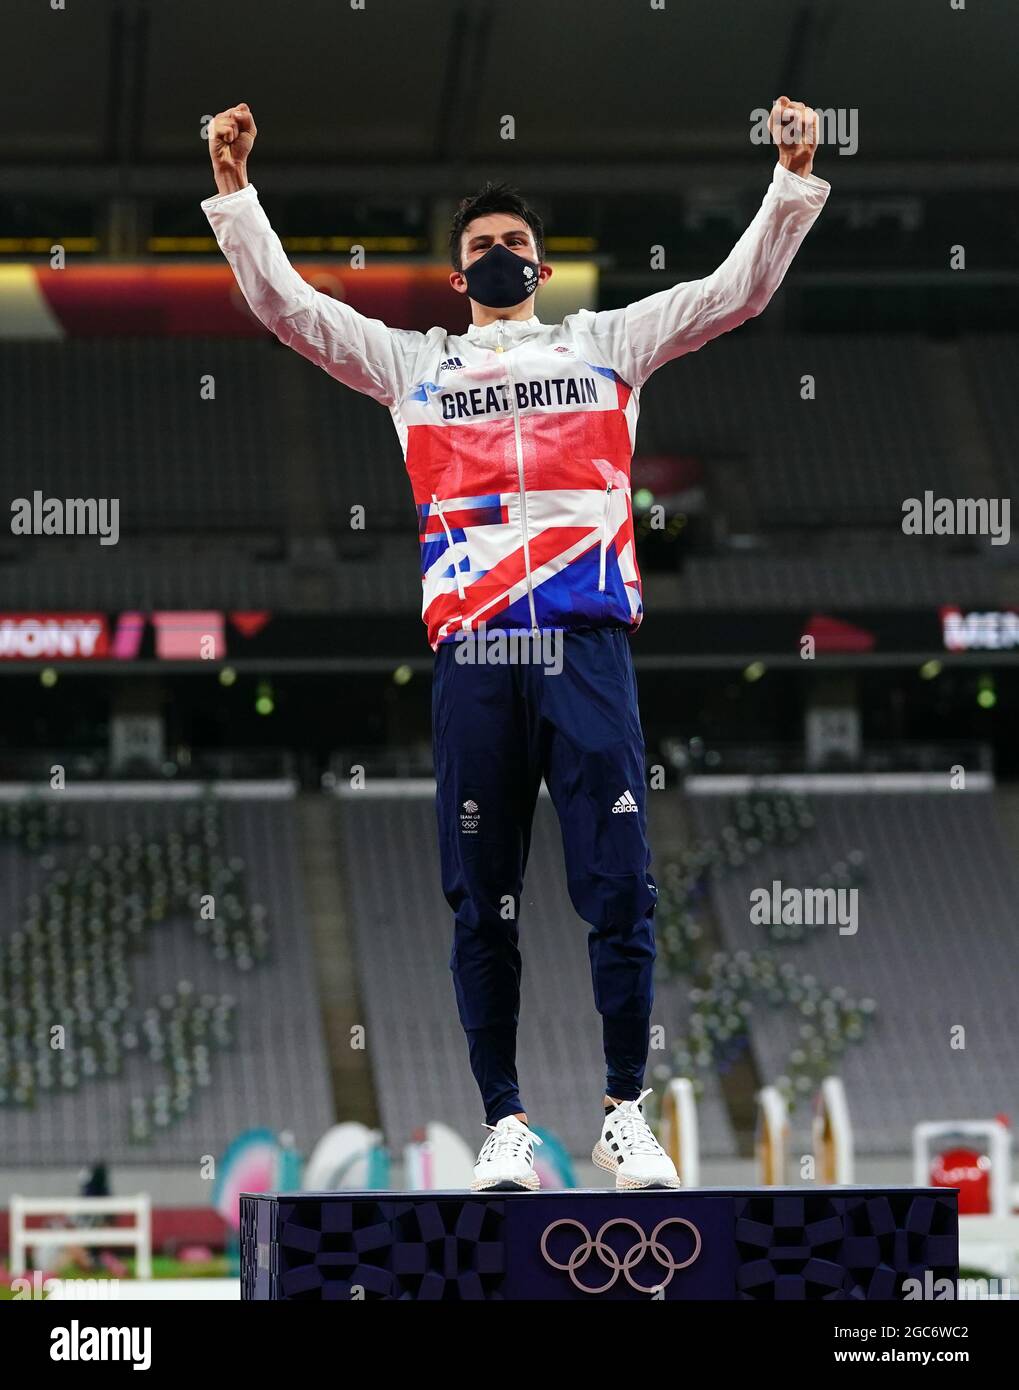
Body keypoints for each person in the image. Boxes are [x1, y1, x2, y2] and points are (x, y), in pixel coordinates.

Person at [202, 97, 828, 1191]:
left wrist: (787, 179)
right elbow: (290, 309)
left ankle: (623, 1109)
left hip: (587, 650)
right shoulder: (413, 370)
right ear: (457, 278)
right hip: (478, 662)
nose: (499, 257)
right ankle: (503, 1121)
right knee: (479, 892)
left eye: (515, 247)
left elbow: (737, 293)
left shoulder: (609, 345)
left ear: (542, 270)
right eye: (480, 248)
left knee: (619, 882)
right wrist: (235, 193)